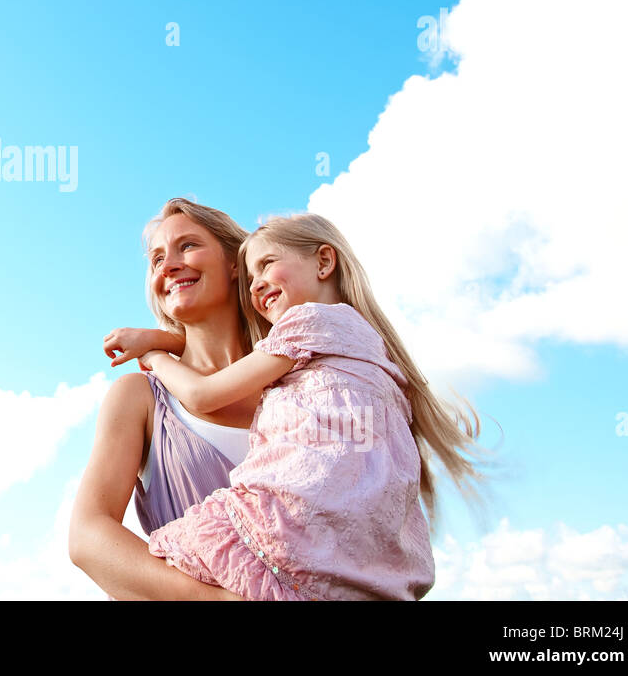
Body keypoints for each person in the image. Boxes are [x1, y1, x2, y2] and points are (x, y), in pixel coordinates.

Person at [118, 212, 496, 600]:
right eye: (157, 258)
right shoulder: (361, 348)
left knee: (168, 553)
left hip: (282, 538)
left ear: (324, 262)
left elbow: (203, 392)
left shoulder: (302, 331)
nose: (258, 284)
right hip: (349, 569)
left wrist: (155, 353)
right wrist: (170, 341)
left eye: (266, 265)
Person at [68, 198, 260, 600]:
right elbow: (88, 535)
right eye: (156, 260)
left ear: (235, 263)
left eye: (187, 246)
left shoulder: (296, 385)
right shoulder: (141, 397)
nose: (168, 265)